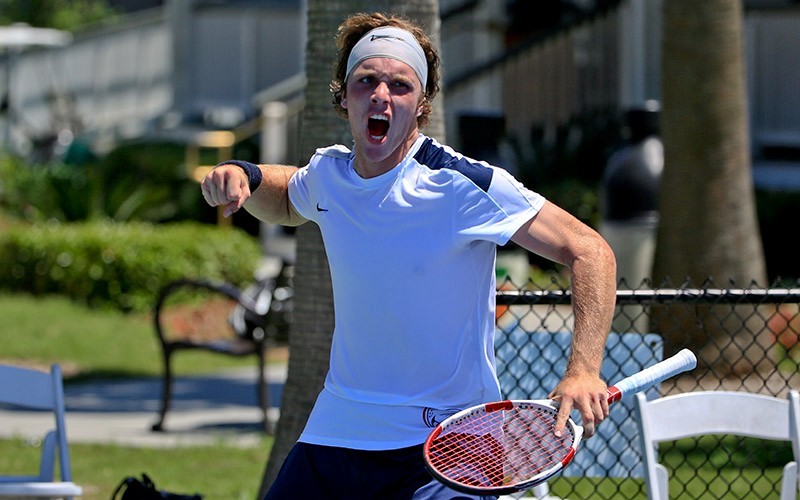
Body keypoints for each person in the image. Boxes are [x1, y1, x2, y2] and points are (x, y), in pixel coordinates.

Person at [201, 11, 617, 500]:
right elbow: (289, 196)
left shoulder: (463, 184)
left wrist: (584, 370)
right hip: (342, 425)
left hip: (454, 436)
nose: (381, 94)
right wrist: (244, 174)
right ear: (343, 95)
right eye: (366, 81)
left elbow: (590, 249)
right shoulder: (329, 175)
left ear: (421, 105)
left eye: (400, 85)